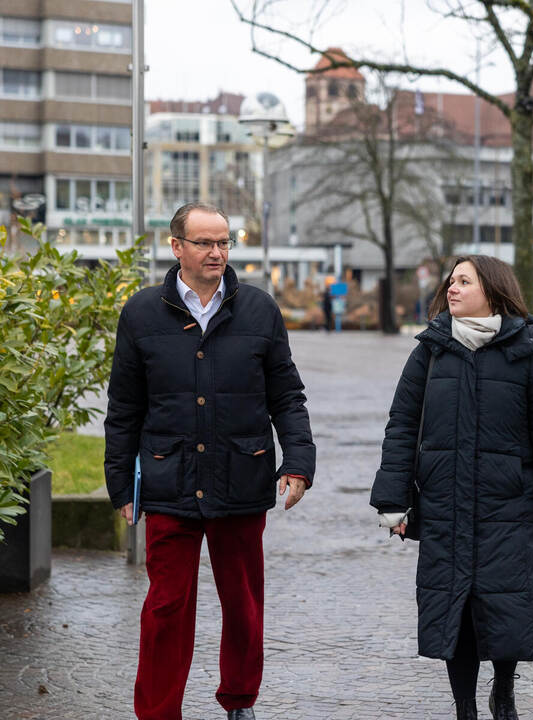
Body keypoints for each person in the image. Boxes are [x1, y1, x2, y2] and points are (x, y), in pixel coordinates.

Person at [104, 202, 316, 720]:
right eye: (205, 243)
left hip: (242, 476)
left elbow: (287, 397)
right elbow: (124, 409)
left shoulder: (260, 310)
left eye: (224, 242)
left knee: (243, 605)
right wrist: (119, 487)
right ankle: (157, 712)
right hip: (167, 479)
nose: (217, 252)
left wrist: (299, 463)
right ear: (176, 248)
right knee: (165, 609)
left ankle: (239, 700)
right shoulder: (140, 314)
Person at [370, 255, 533, 720]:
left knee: (506, 603)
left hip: (505, 506)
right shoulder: (429, 351)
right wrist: (393, 500)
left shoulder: (529, 354)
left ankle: (504, 690)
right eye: (451, 281)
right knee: (455, 610)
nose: (452, 288)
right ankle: (464, 706)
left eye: (464, 281)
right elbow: (402, 427)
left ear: (492, 288)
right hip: (443, 503)